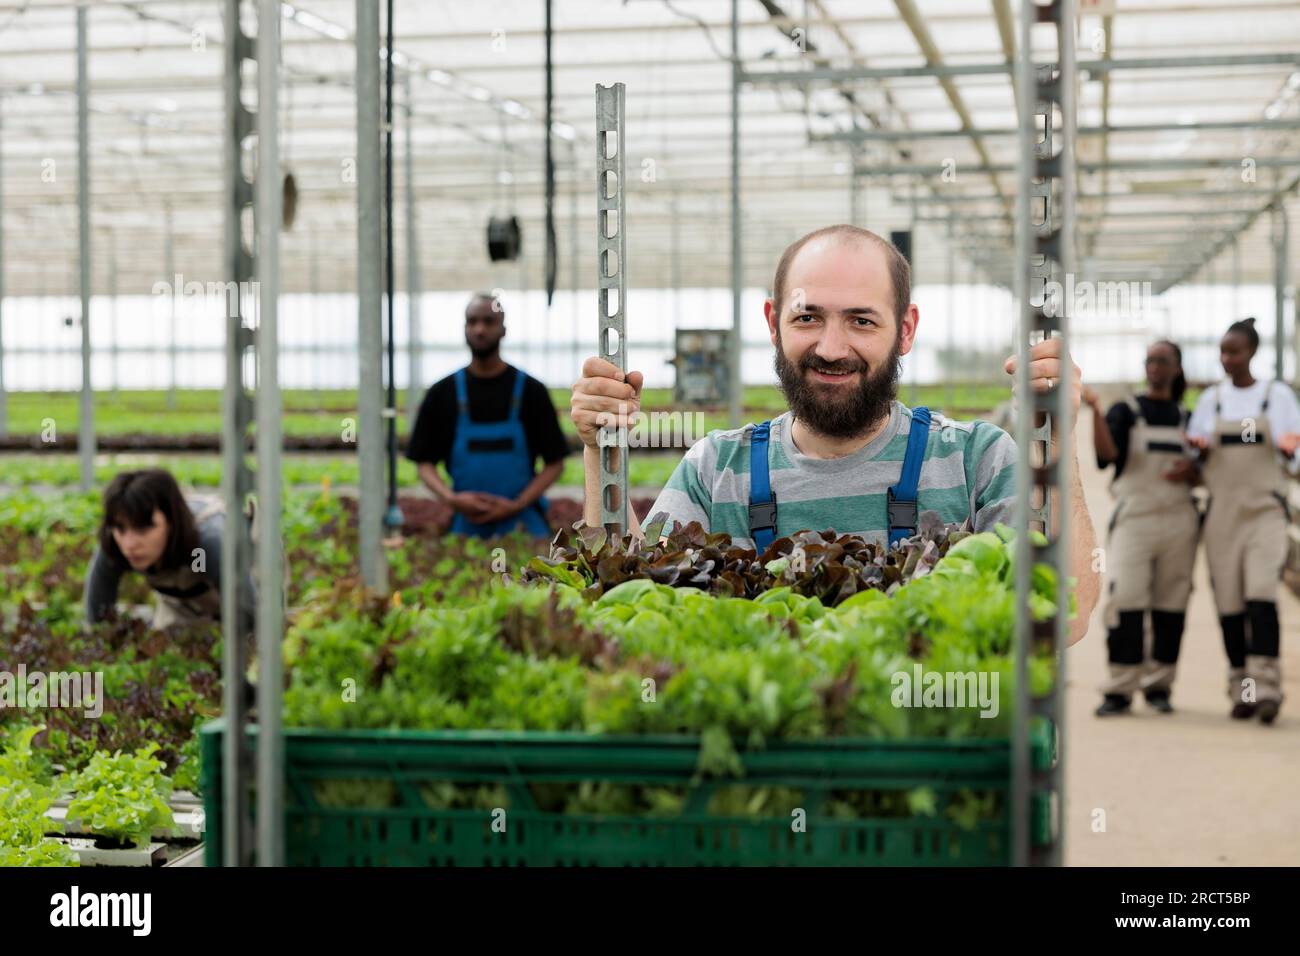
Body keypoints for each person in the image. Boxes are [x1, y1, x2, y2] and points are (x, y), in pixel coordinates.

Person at [569, 224, 1100, 644]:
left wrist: (1053, 445)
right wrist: (599, 450)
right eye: (808, 318)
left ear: (906, 329)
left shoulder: (976, 459)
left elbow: (1063, 620)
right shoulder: (716, 468)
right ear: (773, 322)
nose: (831, 347)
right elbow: (633, 602)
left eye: (861, 321)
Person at [1187, 318, 1300, 724]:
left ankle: (1268, 690)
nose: (1226, 359)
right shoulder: (1211, 401)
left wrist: (1290, 450)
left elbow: (1296, 452)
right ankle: (1243, 691)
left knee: (1261, 597)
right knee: (1230, 605)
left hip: (1265, 513)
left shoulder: (1278, 397)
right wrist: (1196, 450)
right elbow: (1196, 459)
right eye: (1222, 351)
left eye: (1233, 351)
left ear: (1252, 352)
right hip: (1222, 516)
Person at [1085, 341, 1199, 716]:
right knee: (1126, 599)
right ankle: (1120, 687)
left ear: (1177, 368)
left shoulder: (1189, 418)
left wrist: (1194, 470)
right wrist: (1097, 412)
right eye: (1149, 360)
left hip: (1180, 520)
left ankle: (1159, 685)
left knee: (1171, 603)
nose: (1154, 367)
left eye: (1162, 361)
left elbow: (1206, 464)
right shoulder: (1127, 411)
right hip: (1135, 517)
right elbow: (1107, 457)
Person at [407, 292, 569, 538]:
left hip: (522, 521)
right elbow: (424, 463)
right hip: (464, 522)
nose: (479, 329)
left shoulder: (531, 391)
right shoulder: (442, 393)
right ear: (464, 329)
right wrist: (451, 499)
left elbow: (555, 464)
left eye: (488, 321)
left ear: (503, 329)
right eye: (472, 322)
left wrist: (517, 504)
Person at [84, 468, 255, 637]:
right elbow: (99, 613)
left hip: (248, 573)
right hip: (186, 596)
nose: (129, 544)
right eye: (120, 528)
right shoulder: (115, 543)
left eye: (142, 528)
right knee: (173, 641)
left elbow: (251, 615)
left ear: (171, 521)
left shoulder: (203, 547)